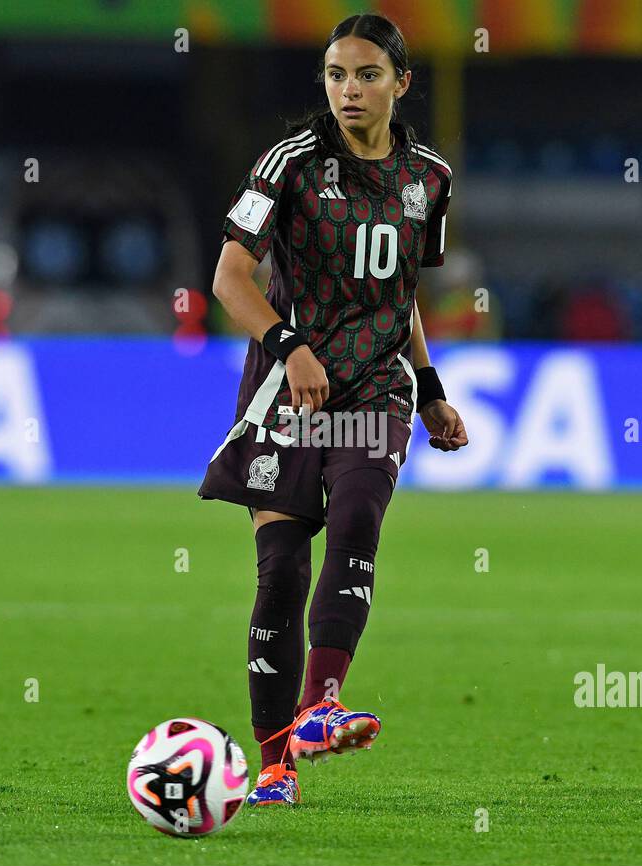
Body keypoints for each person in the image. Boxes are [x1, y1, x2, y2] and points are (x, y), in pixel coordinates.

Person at [198, 13, 468, 807]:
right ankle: (275, 763)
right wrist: (290, 347)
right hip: (290, 385)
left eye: (367, 75)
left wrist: (429, 388)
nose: (349, 90)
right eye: (336, 75)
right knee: (281, 571)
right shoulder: (289, 163)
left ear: (401, 83)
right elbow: (229, 278)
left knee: (357, 517)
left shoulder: (430, 177)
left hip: (374, 386)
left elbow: (404, 292)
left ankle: (322, 706)